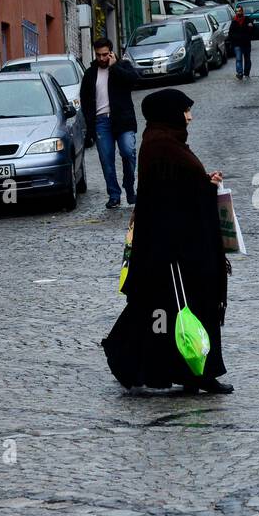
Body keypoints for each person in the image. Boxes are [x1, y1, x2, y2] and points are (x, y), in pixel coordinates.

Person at [102, 88, 232, 395]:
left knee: (166, 310)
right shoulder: (161, 146)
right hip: (175, 249)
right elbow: (169, 200)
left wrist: (204, 183)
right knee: (178, 310)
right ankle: (195, 372)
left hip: (175, 245)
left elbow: (176, 189)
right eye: (185, 110)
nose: (190, 116)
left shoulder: (164, 141)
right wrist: (207, 188)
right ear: (170, 112)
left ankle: (195, 373)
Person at [80, 37, 140, 209]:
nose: (101, 58)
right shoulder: (90, 73)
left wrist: (115, 67)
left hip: (123, 120)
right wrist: (89, 122)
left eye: (105, 55)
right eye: (98, 55)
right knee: (106, 160)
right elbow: (84, 99)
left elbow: (133, 81)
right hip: (101, 122)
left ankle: (129, 186)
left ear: (111, 53)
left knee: (128, 152)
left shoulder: (122, 66)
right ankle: (114, 195)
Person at [228, 4, 255, 80]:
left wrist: (251, 26)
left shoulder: (247, 20)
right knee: (238, 59)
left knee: (247, 60)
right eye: (237, 11)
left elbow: (253, 31)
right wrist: (234, 39)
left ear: (242, 11)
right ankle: (240, 73)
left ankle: (246, 73)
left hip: (246, 43)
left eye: (240, 11)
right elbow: (230, 33)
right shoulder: (234, 22)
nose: (238, 13)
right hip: (237, 44)